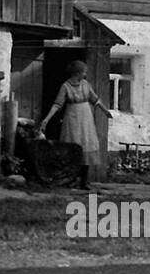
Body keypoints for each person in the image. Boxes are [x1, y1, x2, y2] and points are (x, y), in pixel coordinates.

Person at [39, 60, 114, 189]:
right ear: (78, 73)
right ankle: (71, 179)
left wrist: (105, 111)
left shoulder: (85, 84)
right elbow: (57, 104)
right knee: (73, 147)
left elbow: (95, 99)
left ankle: (83, 182)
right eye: (84, 72)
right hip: (72, 119)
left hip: (86, 119)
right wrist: (46, 119)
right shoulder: (65, 86)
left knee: (87, 146)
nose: (85, 74)